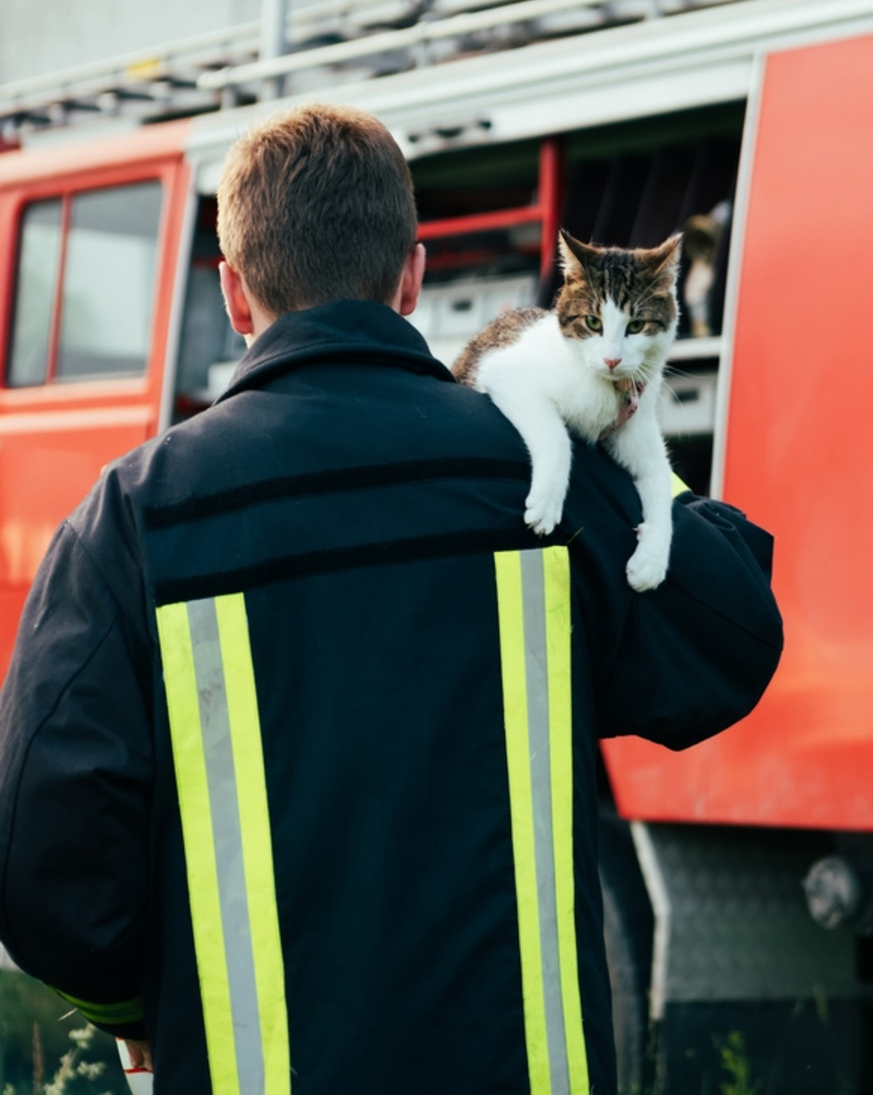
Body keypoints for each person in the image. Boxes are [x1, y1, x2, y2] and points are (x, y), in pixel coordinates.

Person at [0, 104, 782, 1094]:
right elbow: (734, 639)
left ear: (235, 295)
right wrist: (636, 470)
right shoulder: (533, 472)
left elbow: (41, 862)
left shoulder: (131, 521)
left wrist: (132, 1006)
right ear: (411, 274)